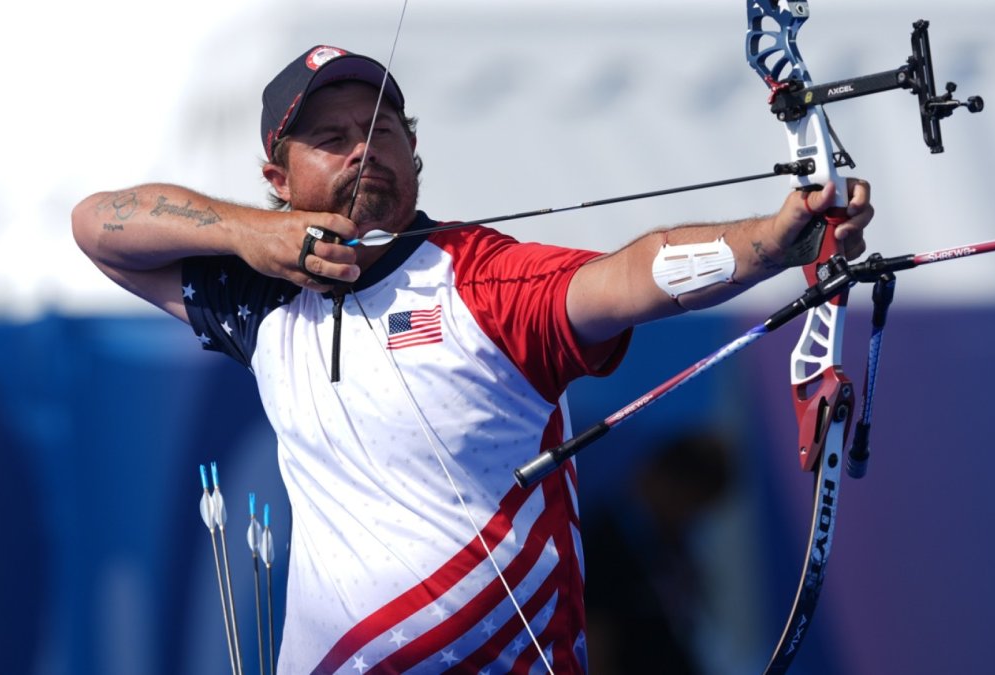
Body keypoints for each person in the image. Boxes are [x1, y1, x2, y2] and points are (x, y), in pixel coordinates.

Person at [72, 44, 872, 674]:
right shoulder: (262, 299)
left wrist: (771, 243)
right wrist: (247, 231)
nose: (362, 149)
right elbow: (97, 226)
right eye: (331, 138)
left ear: (414, 149)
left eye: (382, 129)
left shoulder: (480, 278)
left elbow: (631, 276)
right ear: (278, 177)